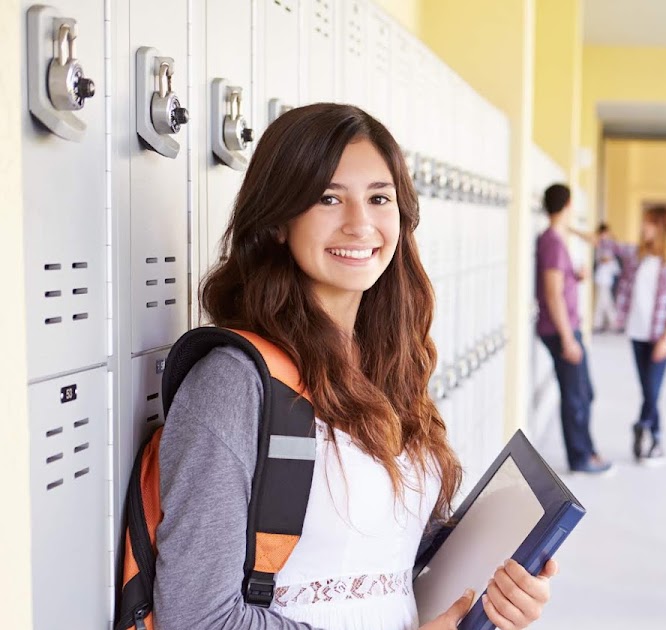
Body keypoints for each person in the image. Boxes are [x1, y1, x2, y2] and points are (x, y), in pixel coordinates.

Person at [153, 103, 557, 630]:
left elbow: (384, 551)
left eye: (379, 198)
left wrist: (498, 589)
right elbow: (196, 619)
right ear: (277, 221)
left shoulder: (387, 366)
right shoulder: (235, 383)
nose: (360, 223)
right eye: (328, 198)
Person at [591, 207, 666, 466]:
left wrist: (665, 338)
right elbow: (606, 243)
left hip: (663, 335)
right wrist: (568, 228)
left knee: (652, 389)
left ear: (662, 227)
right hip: (637, 332)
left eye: (649, 224)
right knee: (647, 390)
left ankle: (644, 426)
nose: (644, 228)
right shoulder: (637, 254)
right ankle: (654, 439)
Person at [536, 184, 613, 475]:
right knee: (576, 395)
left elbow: (558, 282)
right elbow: (552, 293)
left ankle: (587, 450)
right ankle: (581, 457)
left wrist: (574, 276)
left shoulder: (554, 238)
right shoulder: (553, 243)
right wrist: (568, 339)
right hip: (561, 330)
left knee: (584, 392)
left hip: (564, 327)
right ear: (568, 205)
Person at [592, 224, 620, 333]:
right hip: (602, 277)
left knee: (605, 301)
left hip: (607, 277)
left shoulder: (609, 244)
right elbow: (603, 259)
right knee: (603, 301)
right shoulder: (600, 244)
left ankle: (605, 323)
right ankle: (609, 323)